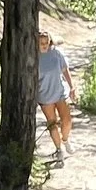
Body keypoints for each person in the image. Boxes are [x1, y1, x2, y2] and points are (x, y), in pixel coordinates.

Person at [36, 27, 75, 160]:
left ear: (50, 42)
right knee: (52, 123)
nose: (44, 45)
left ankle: (65, 140)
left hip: (59, 92)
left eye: (46, 43)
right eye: (41, 43)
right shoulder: (33, 57)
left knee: (67, 121)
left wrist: (72, 87)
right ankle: (59, 149)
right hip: (44, 95)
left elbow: (65, 70)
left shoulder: (56, 53)